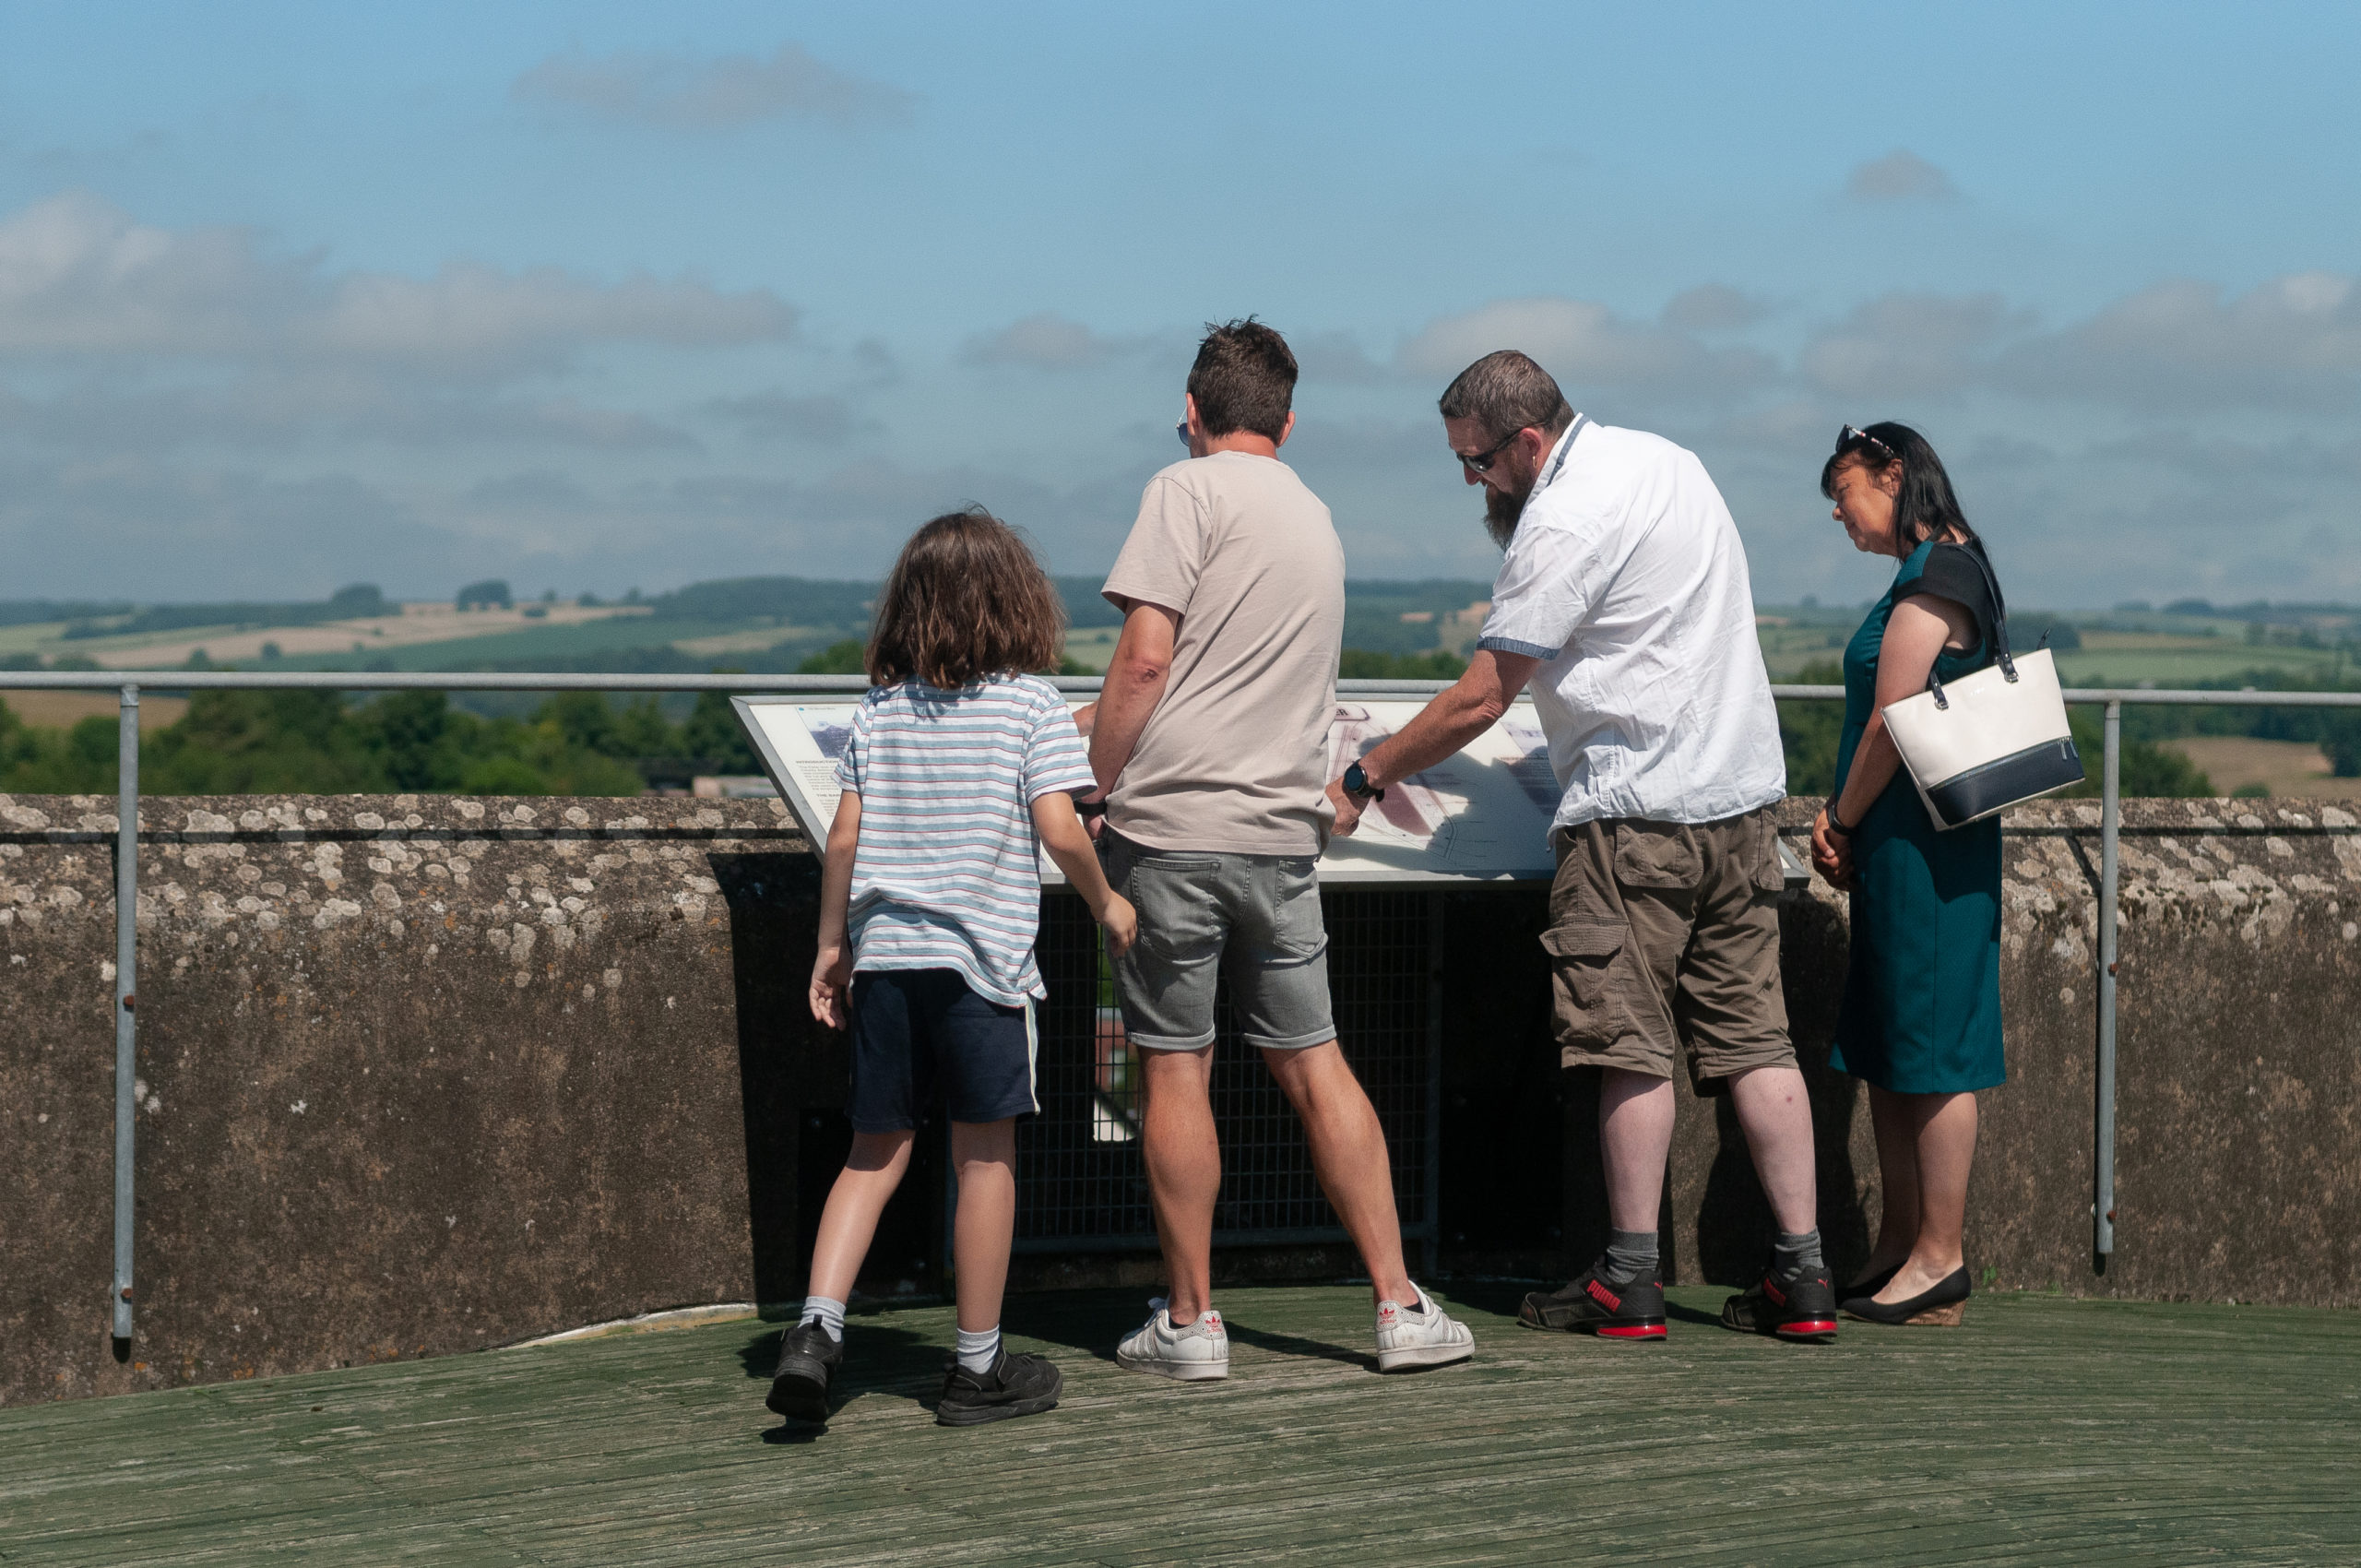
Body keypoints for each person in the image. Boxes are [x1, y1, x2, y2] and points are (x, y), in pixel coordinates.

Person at [1329, 350, 1837, 1343]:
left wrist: (1363, 775)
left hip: (1632, 811)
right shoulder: (1670, 462)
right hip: (1738, 802)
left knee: (1626, 1042)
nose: (1469, 481)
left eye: (1476, 462)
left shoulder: (1560, 517)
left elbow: (1484, 694)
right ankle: (1804, 1274)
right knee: (1756, 1041)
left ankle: (1629, 1278)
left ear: (1526, 441)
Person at [1079, 318, 1475, 1378]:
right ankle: (1398, 1304)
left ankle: (1192, 1319)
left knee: (1175, 1070)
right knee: (1316, 1063)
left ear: (1194, 412)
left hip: (1169, 834)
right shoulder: (1317, 516)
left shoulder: (1182, 488)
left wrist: (1095, 784)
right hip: (1281, 837)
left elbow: (1147, 662)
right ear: (1288, 421)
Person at [768, 508, 1139, 1428]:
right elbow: (1060, 827)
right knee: (983, 1160)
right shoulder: (1030, 706)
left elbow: (845, 837)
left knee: (872, 1151)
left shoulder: (879, 711)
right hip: (982, 966)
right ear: (1015, 601)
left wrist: (831, 943)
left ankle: (814, 1330)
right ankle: (976, 1368)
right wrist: (1108, 903)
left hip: (888, 957)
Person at [1810, 422, 2003, 1327]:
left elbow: (1891, 719)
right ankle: (1898, 1245)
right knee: (1892, 1043)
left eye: (1844, 492)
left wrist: (1840, 816)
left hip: (1925, 848)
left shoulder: (1939, 573)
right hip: (1900, 844)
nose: (1841, 516)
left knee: (1931, 1047)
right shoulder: (1927, 570)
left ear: (1893, 474)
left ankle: (1940, 1256)